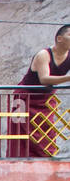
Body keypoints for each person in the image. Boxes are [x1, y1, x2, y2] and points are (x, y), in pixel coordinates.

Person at [15, 24, 70, 158]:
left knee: (47, 132)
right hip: (25, 98)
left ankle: (47, 159)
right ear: (60, 38)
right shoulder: (43, 55)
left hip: (46, 100)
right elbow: (44, 79)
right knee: (22, 134)